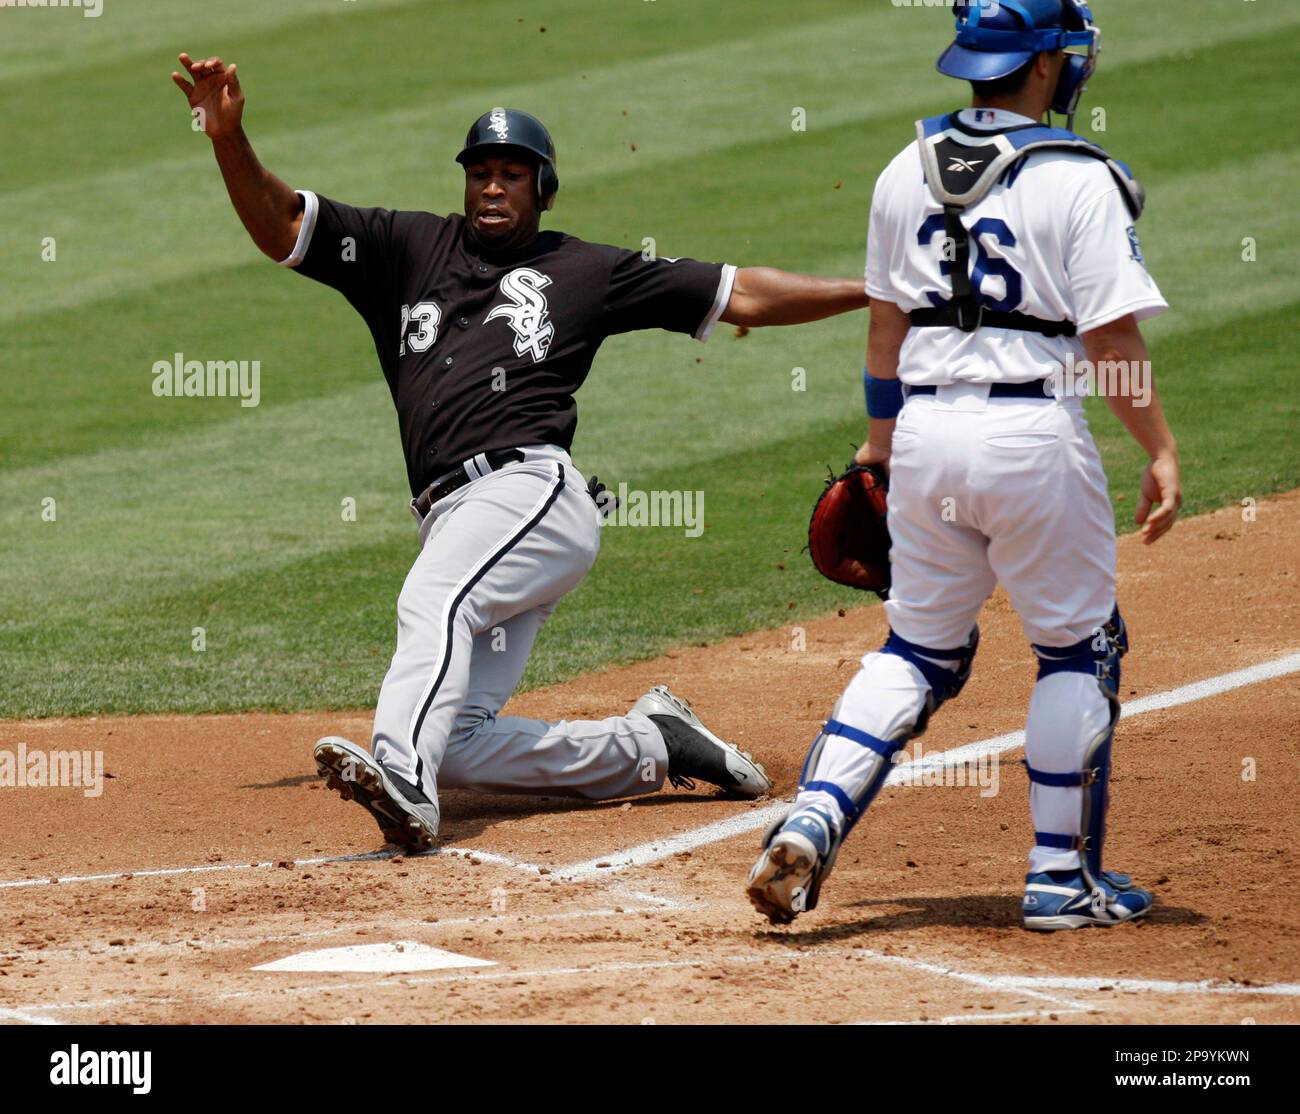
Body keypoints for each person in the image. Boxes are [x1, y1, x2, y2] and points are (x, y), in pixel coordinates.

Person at [172, 53, 871, 849]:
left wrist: (871, 291)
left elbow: (741, 291)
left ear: (543, 188)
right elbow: (283, 227)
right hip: (456, 517)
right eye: (481, 172)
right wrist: (228, 137)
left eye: (513, 173)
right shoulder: (406, 249)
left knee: (432, 601)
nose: (494, 186)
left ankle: (401, 775)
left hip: (530, 495)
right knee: (461, 740)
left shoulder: (587, 270)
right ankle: (652, 746)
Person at [746, 0, 1182, 930]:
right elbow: (1108, 335)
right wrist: (1159, 448)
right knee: (1079, 646)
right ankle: (1060, 880)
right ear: (1045, 69)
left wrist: (877, 447)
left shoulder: (903, 168)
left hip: (924, 438)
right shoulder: (1081, 178)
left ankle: (814, 819)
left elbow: (883, 325)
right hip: (1030, 438)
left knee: (918, 648)